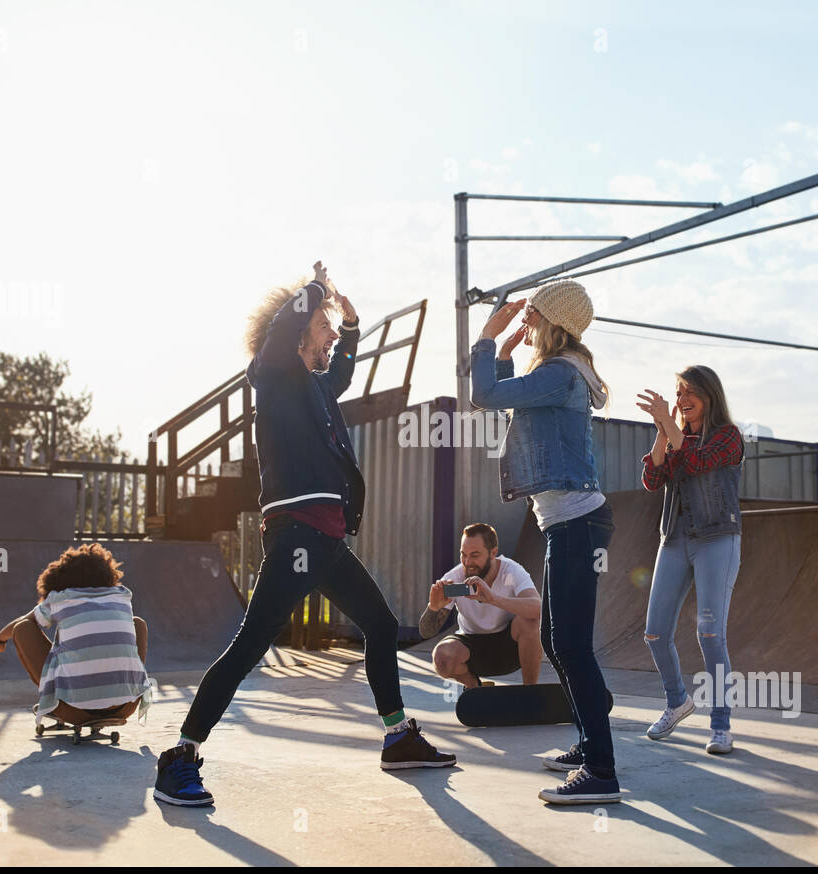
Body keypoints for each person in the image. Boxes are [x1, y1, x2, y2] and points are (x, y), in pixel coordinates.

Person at [152, 262, 455, 808]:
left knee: (381, 627)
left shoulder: (316, 389)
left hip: (327, 541)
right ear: (296, 333)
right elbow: (285, 329)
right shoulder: (271, 377)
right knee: (251, 645)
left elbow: (340, 371)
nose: (331, 333)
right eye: (322, 325)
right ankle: (180, 756)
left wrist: (353, 324)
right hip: (297, 538)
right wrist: (315, 290)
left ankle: (397, 737)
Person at [470, 279, 619, 805]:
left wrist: (487, 338)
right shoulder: (554, 376)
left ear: (554, 323)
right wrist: (506, 354)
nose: (525, 323)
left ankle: (602, 771)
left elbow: (482, 394)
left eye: (532, 316)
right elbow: (506, 401)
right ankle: (589, 740)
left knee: (571, 644)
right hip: (567, 523)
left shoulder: (559, 374)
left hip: (577, 523)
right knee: (557, 640)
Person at [636, 366, 745, 755]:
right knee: (654, 633)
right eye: (678, 393)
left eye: (689, 393)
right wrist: (662, 429)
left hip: (717, 539)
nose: (682, 400)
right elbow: (652, 477)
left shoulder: (728, 437)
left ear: (709, 395)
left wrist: (669, 423)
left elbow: (696, 462)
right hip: (675, 539)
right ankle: (677, 700)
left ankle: (721, 726)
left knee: (710, 634)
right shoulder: (676, 432)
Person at [0, 543, 152, 722]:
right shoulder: (122, 596)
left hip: (74, 711)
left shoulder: (60, 599)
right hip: (126, 707)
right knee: (138, 623)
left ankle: (54, 701)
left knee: (22, 629)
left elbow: (23, 622)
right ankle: (128, 687)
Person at [423, 522, 543, 687]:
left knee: (530, 623)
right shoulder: (455, 578)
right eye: (463, 555)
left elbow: (538, 609)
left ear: (493, 553)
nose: (468, 562)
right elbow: (426, 632)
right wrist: (433, 608)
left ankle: (530, 692)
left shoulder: (512, 571)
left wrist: (494, 599)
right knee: (442, 658)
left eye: (475, 555)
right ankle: (475, 688)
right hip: (471, 646)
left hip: (509, 647)